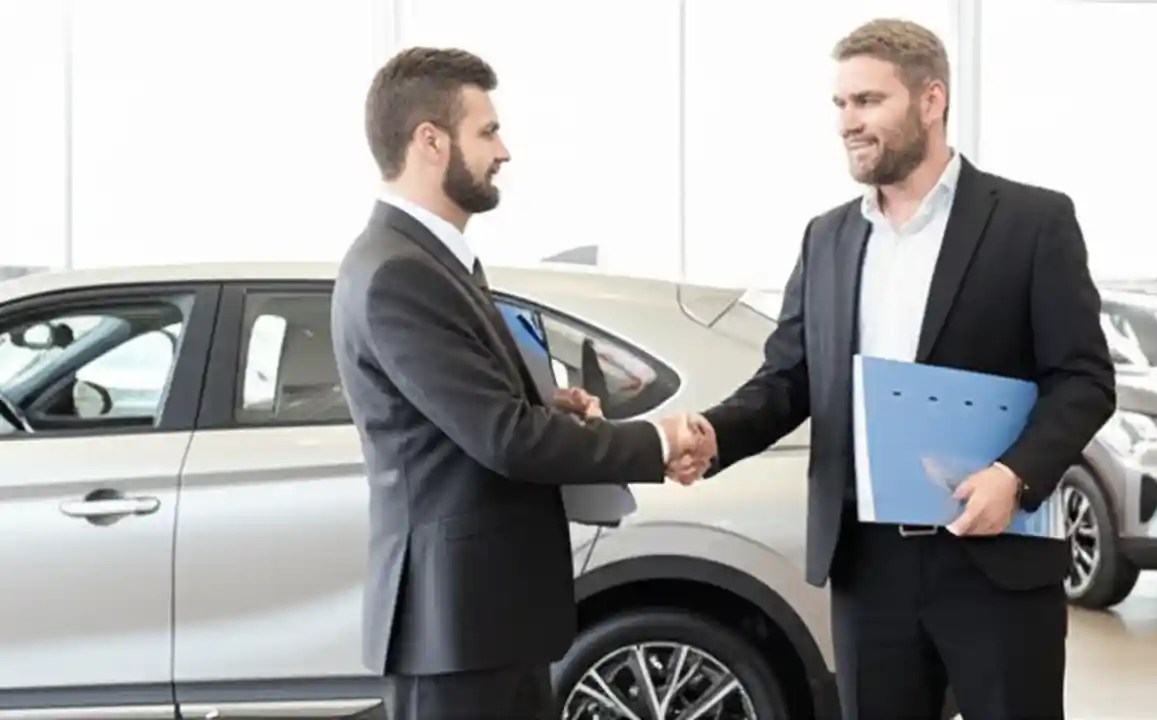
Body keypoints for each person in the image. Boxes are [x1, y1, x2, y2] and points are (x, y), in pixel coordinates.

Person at [668, 18, 1116, 720]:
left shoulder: (1032, 222)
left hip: (994, 553)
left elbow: (1084, 379)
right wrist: (714, 433)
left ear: (931, 100)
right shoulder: (828, 236)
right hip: (868, 565)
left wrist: (1015, 476)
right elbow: (790, 379)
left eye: (868, 101)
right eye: (841, 104)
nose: (848, 122)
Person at [331, 47, 699, 719]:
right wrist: (657, 441)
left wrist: (546, 402)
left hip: (480, 623)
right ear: (431, 141)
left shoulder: (428, 262)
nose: (504, 151)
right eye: (488, 131)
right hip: (455, 628)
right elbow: (505, 439)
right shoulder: (400, 274)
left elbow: (464, 410)